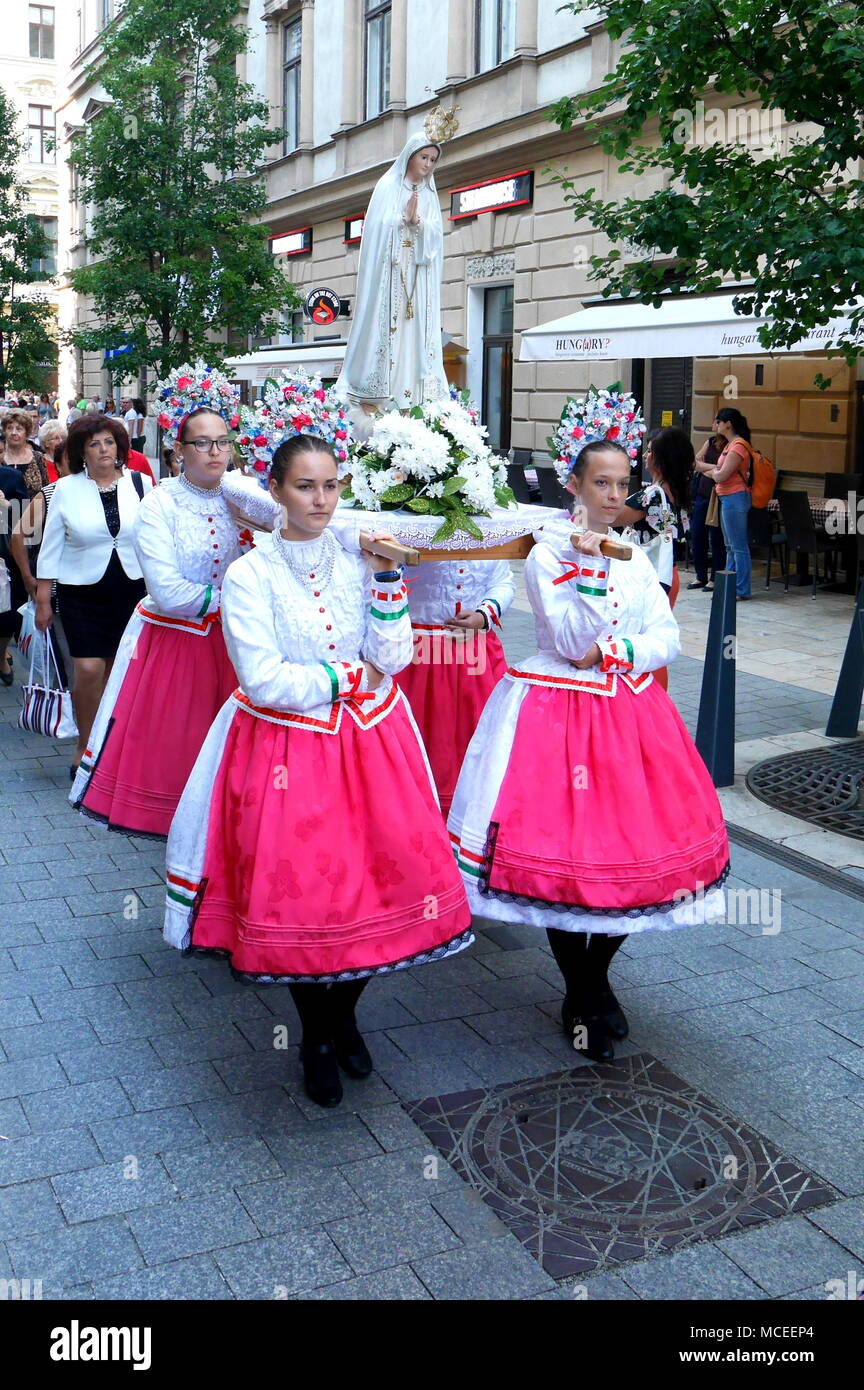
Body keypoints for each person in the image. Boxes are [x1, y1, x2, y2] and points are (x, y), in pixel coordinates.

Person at [164, 429, 473, 1108]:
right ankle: (315, 1035)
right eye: (305, 485)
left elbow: (393, 660)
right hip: (286, 751)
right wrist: (344, 675)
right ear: (273, 491)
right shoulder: (249, 573)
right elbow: (265, 679)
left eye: (332, 485)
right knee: (309, 898)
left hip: (373, 746)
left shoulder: (357, 562)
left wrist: (390, 585)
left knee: (384, 886)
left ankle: (345, 1015)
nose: (321, 499)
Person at [448, 434, 729, 1063]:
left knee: (631, 855)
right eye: (600, 483)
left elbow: (666, 637)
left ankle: (595, 977)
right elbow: (572, 641)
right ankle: (579, 992)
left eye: (622, 484)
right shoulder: (548, 555)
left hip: (630, 714)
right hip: (556, 711)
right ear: (573, 486)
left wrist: (619, 650)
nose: (613, 495)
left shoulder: (634, 552)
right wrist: (591, 571)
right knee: (564, 857)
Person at [71, 394, 246, 837]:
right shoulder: (159, 504)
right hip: (179, 642)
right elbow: (167, 593)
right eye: (203, 444)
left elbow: (295, 521)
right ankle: (185, 829)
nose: (215, 453)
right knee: (183, 742)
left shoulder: (241, 493)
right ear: (178, 451)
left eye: (223, 443)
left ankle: (231, 820)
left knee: (238, 743)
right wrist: (245, 598)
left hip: (239, 640)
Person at [35, 414, 153, 778]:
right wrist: (42, 597)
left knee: (121, 673)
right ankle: (84, 745)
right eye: (93, 444)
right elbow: (51, 544)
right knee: (88, 669)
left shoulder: (142, 483)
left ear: (120, 447)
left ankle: (115, 745)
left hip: (132, 588)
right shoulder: (66, 489)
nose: (103, 450)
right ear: (81, 452)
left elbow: (158, 538)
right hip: (81, 591)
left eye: (108, 442)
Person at [335, 132, 448, 410]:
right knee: (387, 331)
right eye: (424, 157)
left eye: (432, 159)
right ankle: (379, 390)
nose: (428, 164)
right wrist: (401, 220)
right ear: (410, 156)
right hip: (391, 278)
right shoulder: (387, 186)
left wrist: (419, 222)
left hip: (418, 278)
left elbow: (435, 235)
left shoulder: (429, 194)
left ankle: (412, 395)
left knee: (415, 334)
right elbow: (376, 230)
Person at [394, 558, 515, 816]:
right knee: (420, 737)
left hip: (476, 657)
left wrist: (484, 615)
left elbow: (502, 581)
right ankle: (417, 815)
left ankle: (470, 817)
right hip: (419, 655)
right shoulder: (410, 525)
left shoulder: (491, 532)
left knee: (477, 735)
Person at [615, 425, 693, 692]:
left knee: (645, 641)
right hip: (667, 574)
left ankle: (653, 701)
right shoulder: (678, 493)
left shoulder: (652, 495)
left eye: (650, 451)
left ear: (660, 459)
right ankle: (658, 701)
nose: (646, 456)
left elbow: (612, 516)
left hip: (648, 577)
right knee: (657, 637)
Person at [698, 407, 752, 600]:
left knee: (738, 546)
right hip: (727, 497)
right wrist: (716, 471)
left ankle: (741, 589)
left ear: (728, 424)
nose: (716, 425)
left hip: (735, 497)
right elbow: (712, 469)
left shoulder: (738, 446)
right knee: (730, 546)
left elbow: (721, 475)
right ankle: (729, 586)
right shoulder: (730, 445)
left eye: (718, 422)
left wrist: (712, 471)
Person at [689, 424, 726, 591]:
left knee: (717, 539)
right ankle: (700, 576)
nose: (714, 425)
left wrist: (707, 468)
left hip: (719, 497)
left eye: (718, 422)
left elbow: (725, 472)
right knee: (698, 535)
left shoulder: (733, 445)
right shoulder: (710, 441)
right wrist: (713, 469)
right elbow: (695, 463)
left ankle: (715, 578)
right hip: (702, 494)